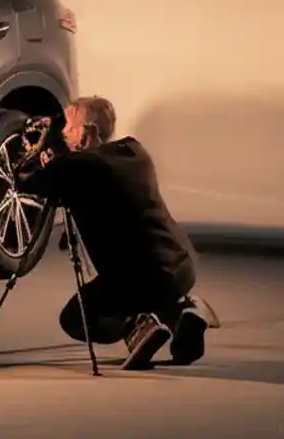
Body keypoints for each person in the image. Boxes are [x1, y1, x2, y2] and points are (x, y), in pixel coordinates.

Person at [14, 96, 217, 370]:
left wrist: (40, 144)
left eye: (68, 127)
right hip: (182, 267)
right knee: (154, 293)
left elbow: (24, 178)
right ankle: (183, 312)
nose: (63, 132)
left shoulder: (79, 167)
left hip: (139, 280)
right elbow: (86, 176)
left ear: (89, 133)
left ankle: (138, 327)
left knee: (75, 318)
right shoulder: (135, 151)